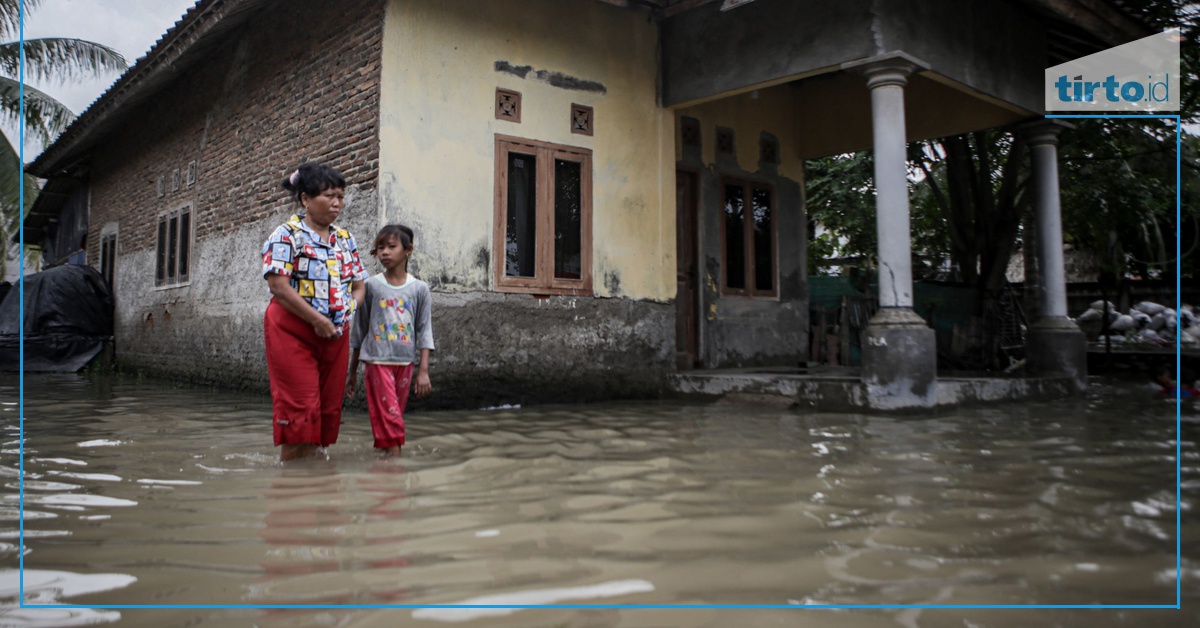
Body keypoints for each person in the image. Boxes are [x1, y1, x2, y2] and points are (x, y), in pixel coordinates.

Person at [262, 162, 367, 461]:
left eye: (340, 196)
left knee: (327, 409)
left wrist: (347, 309)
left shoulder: (345, 239)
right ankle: (294, 487)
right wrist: (317, 320)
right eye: (329, 195)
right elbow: (279, 287)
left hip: (335, 333)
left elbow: (360, 287)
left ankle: (318, 485)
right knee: (300, 408)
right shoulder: (285, 235)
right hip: (292, 331)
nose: (336, 203)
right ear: (306, 199)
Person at [347, 224, 435, 457]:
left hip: (405, 363)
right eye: (380, 248)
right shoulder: (371, 286)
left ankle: (385, 465)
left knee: (391, 415)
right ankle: (395, 465)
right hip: (376, 362)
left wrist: (423, 370)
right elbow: (360, 329)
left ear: (408, 250)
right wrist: (352, 370)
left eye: (391, 247)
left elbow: (424, 329)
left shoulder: (419, 289)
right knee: (391, 415)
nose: (385, 252)